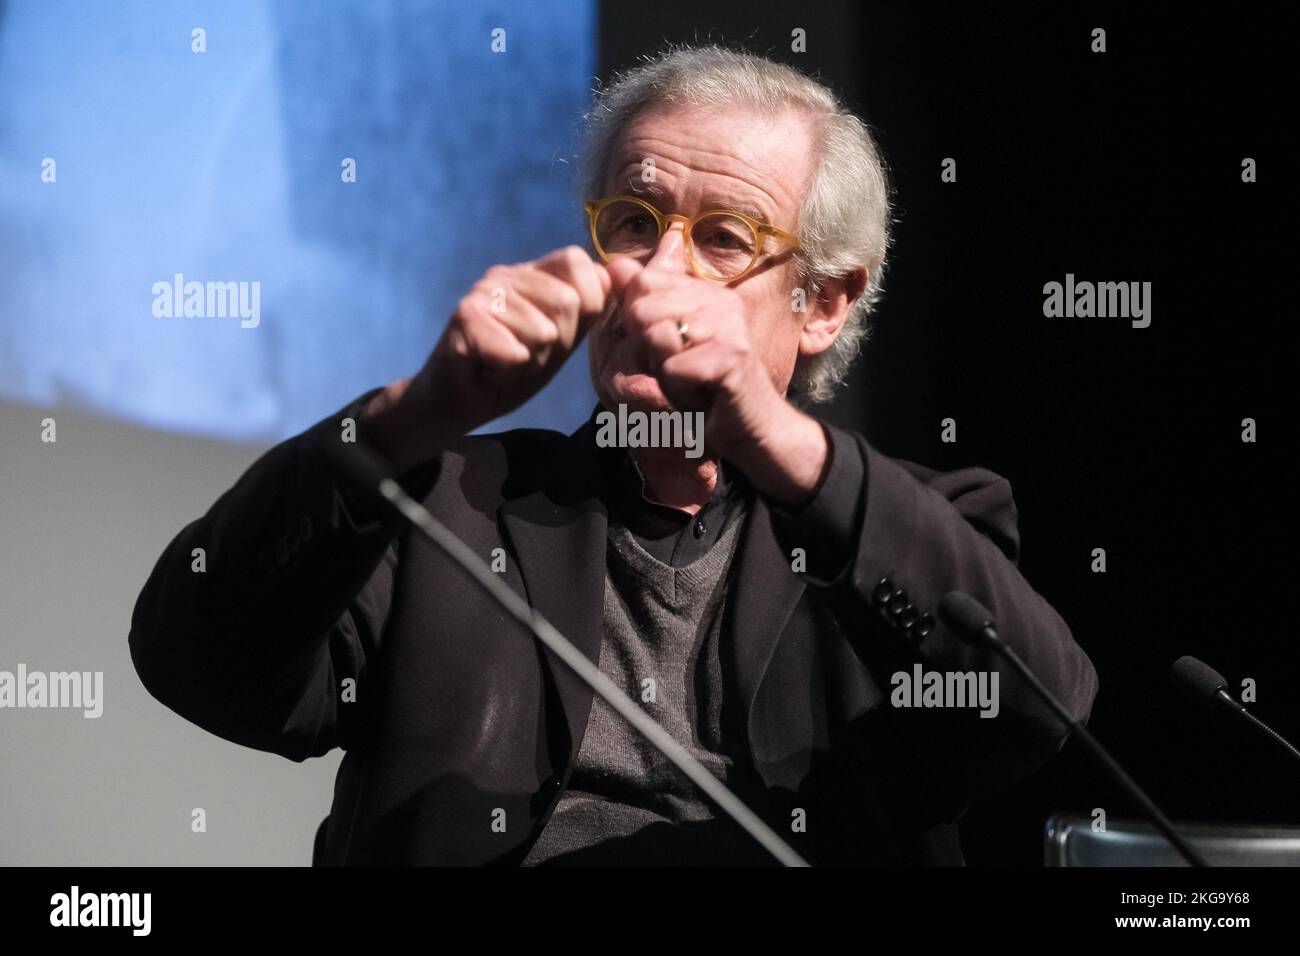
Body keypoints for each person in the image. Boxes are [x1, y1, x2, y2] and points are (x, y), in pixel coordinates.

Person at [129, 44, 1097, 865]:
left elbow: (1029, 712)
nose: (654, 272)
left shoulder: (913, 523)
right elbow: (198, 663)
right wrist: (410, 417)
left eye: (723, 237)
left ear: (823, 300)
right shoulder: (448, 502)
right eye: (632, 223)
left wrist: (774, 439)